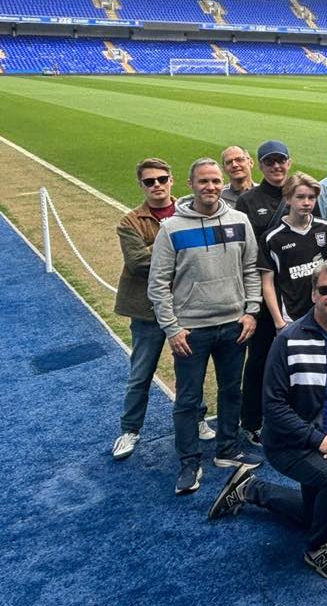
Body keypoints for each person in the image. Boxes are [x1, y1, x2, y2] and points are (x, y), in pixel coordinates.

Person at [205, 261, 327, 582]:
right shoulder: (289, 339)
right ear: (313, 295)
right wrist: (320, 440)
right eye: (325, 289)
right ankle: (318, 548)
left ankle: (249, 489)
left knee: (312, 514)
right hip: (291, 445)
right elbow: (274, 407)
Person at [148, 158, 263, 494]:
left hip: (233, 325)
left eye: (215, 181)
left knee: (231, 392)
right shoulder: (172, 228)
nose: (211, 187)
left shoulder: (239, 220)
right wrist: (172, 328)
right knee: (188, 399)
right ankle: (189, 462)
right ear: (190, 184)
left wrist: (251, 312)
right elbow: (158, 284)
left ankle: (227, 450)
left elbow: (251, 269)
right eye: (203, 182)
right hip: (191, 331)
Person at [113, 158, 212, 459]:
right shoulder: (130, 221)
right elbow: (139, 262)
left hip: (187, 305)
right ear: (141, 185)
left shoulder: (189, 212)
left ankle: (197, 418)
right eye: (149, 181)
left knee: (191, 369)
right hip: (147, 309)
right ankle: (130, 429)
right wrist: (176, 239)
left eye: (161, 179)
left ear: (172, 180)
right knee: (142, 371)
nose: (156, 185)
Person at [246, 173, 327, 444]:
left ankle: (320, 422)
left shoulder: (325, 229)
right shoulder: (274, 237)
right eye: (301, 197)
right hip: (291, 317)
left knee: (322, 369)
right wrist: (277, 320)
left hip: (321, 315)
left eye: (311, 197)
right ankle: (285, 428)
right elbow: (268, 281)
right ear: (288, 199)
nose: (307, 202)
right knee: (291, 375)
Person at [236, 140, 298, 239]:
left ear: (289, 163)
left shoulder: (303, 195)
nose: (276, 166)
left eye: (281, 160)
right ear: (260, 166)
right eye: (269, 162)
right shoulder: (246, 200)